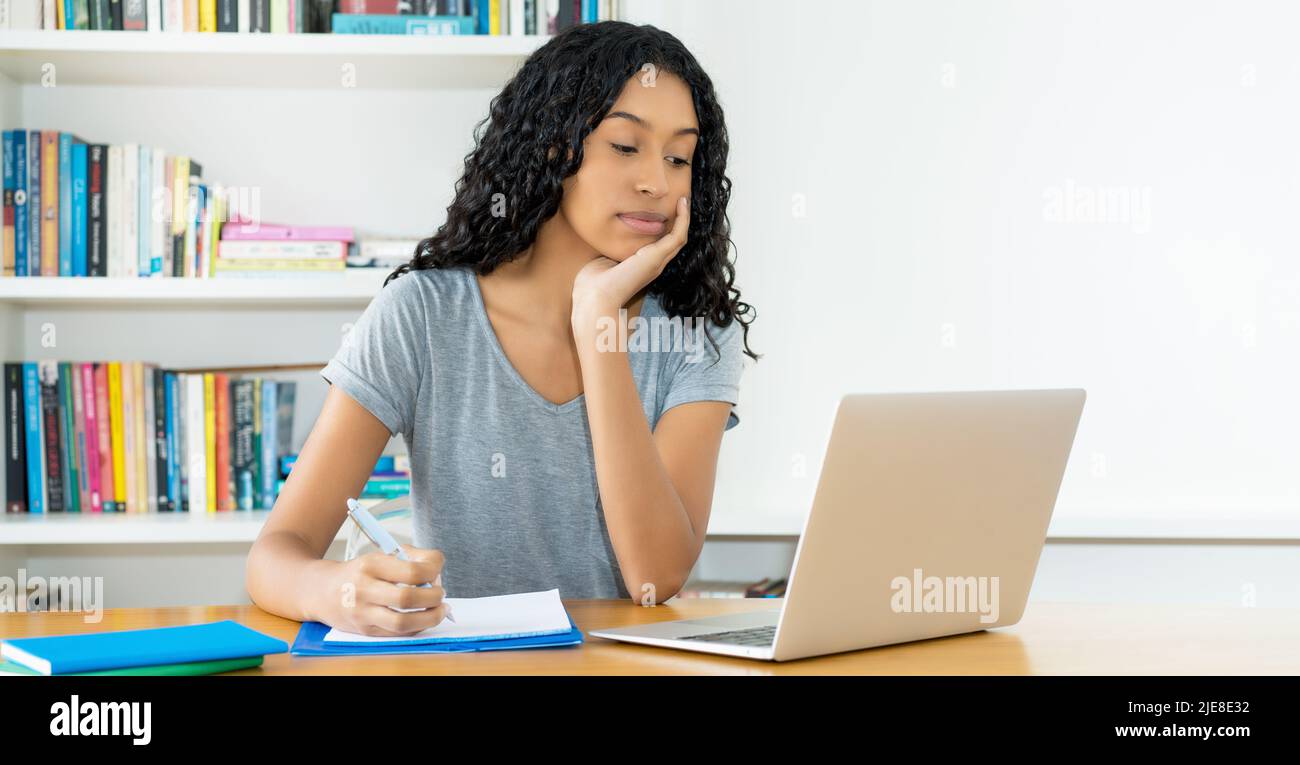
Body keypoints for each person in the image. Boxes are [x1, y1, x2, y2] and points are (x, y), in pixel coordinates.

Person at [246, 21, 757, 637]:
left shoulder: (695, 331)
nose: (658, 181)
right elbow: (275, 554)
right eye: (626, 146)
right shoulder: (424, 314)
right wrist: (338, 590)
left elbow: (658, 574)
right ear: (552, 146)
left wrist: (599, 326)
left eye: (680, 157)